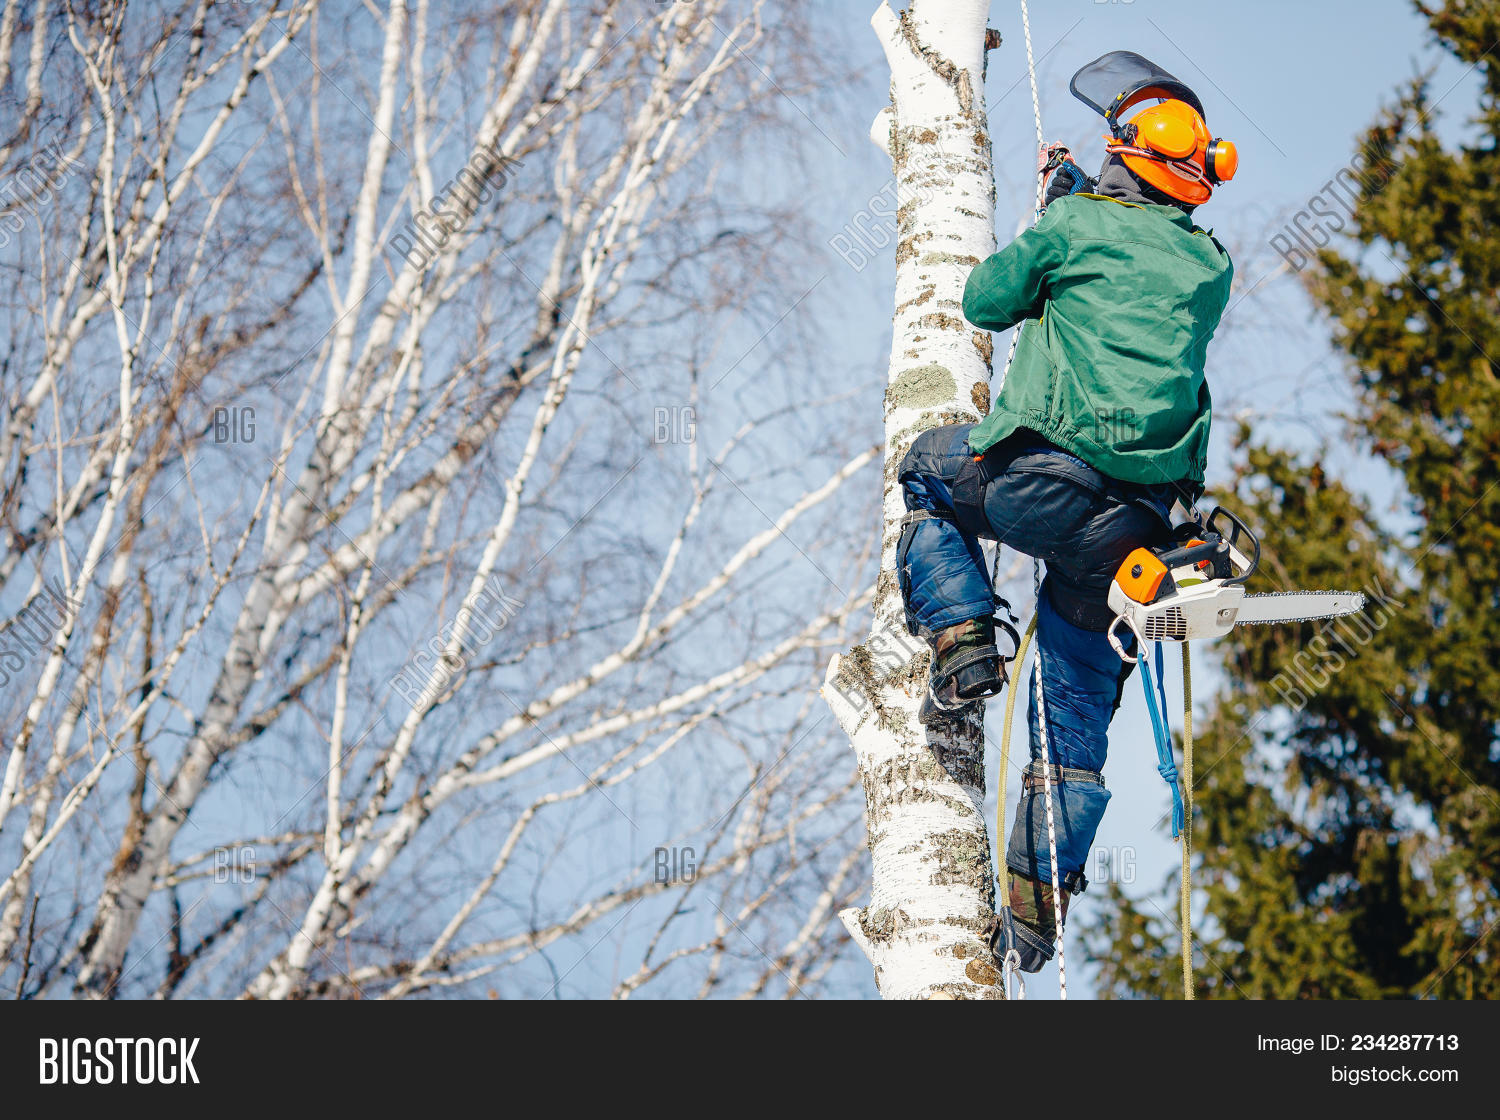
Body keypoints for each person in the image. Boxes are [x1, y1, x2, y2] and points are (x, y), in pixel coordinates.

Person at [895, 55, 1237, 972]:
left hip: (1039, 479)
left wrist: (1059, 213)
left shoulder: (1076, 224)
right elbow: (1132, 280)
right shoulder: (1209, 265)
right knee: (1078, 700)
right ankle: (1040, 897)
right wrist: (1081, 205)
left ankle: (964, 639)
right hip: (1133, 530)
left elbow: (984, 299)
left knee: (926, 477)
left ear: (1122, 160)